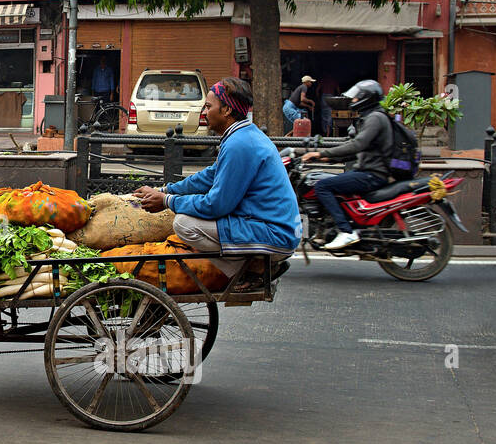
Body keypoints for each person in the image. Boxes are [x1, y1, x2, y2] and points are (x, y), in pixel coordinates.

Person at [133, 77, 299, 288]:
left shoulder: (239, 144)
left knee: (184, 224)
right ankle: (251, 267)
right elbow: (208, 177)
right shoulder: (244, 135)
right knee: (187, 216)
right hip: (272, 227)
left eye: (209, 106)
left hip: (274, 233)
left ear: (227, 110)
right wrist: (165, 190)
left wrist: (167, 201)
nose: (204, 112)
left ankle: (252, 270)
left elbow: (216, 205)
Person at [300, 79, 392, 250]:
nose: (354, 101)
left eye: (357, 98)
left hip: (371, 174)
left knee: (322, 186)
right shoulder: (373, 116)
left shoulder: (375, 118)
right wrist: (329, 159)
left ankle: (345, 231)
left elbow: (357, 145)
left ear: (367, 98)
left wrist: (321, 153)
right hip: (369, 171)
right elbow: (358, 151)